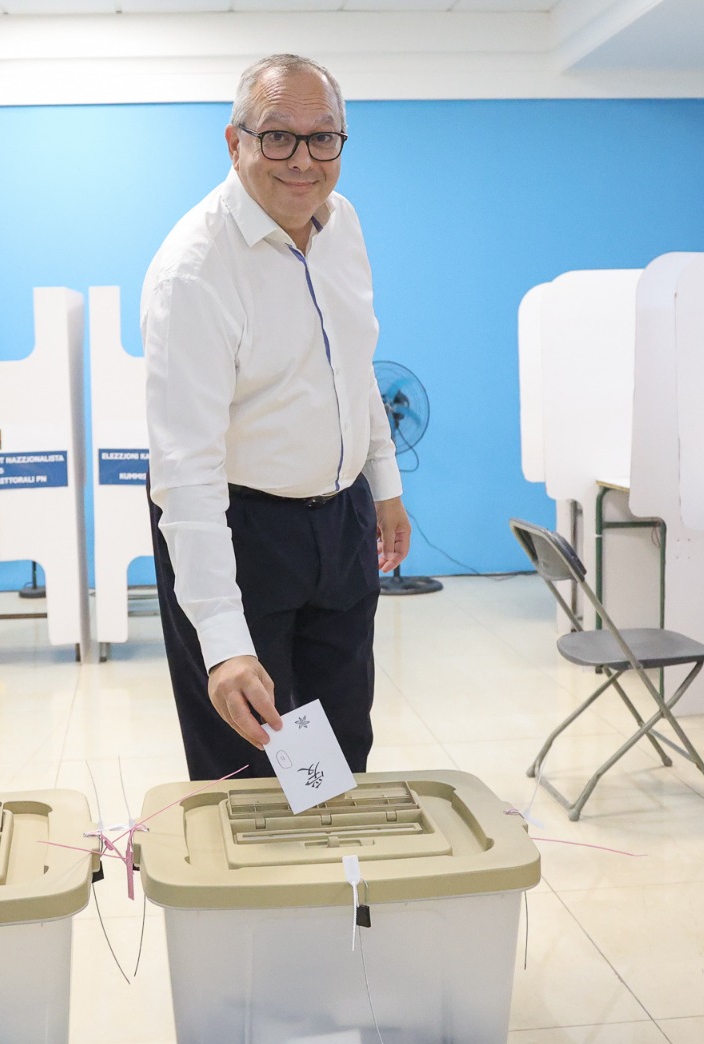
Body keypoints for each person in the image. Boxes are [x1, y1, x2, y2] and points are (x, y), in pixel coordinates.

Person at [143, 53, 411, 781]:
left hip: (341, 522)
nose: (303, 159)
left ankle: (332, 890)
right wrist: (225, 642)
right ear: (235, 143)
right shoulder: (194, 271)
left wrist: (382, 484)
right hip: (240, 527)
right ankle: (262, 897)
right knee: (253, 765)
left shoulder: (343, 225)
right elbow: (185, 470)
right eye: (277, 136)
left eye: (323, 137)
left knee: (338, 748)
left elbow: (354, 366)